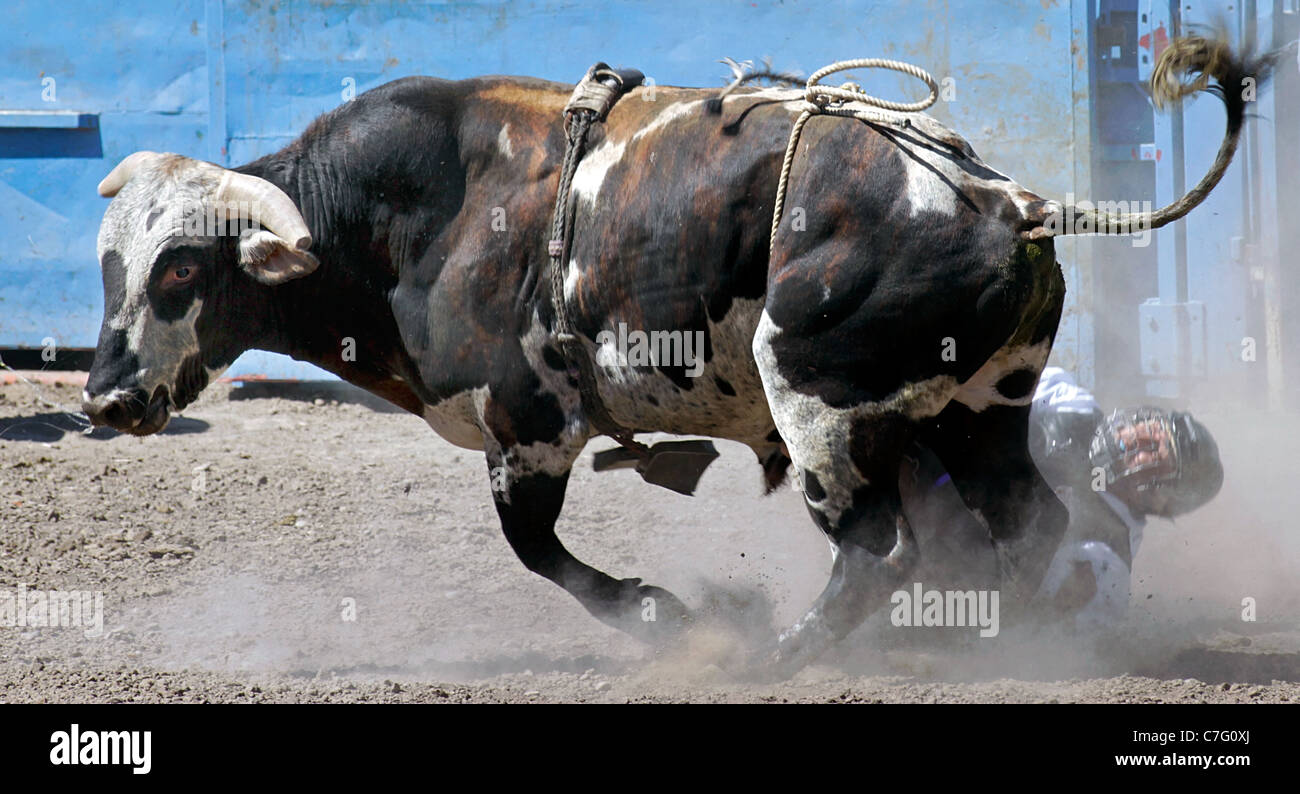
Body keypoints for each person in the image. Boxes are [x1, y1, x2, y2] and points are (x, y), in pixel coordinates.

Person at [899, 367, 1224, 630]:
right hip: (915, 473)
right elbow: (990, 378)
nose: (1136, 435)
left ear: (1159, 500)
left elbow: (1034, 629)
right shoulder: (1074, 407)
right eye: (1150, 427)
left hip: (930, 583)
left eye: (1152, 450)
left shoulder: (1105, 562)